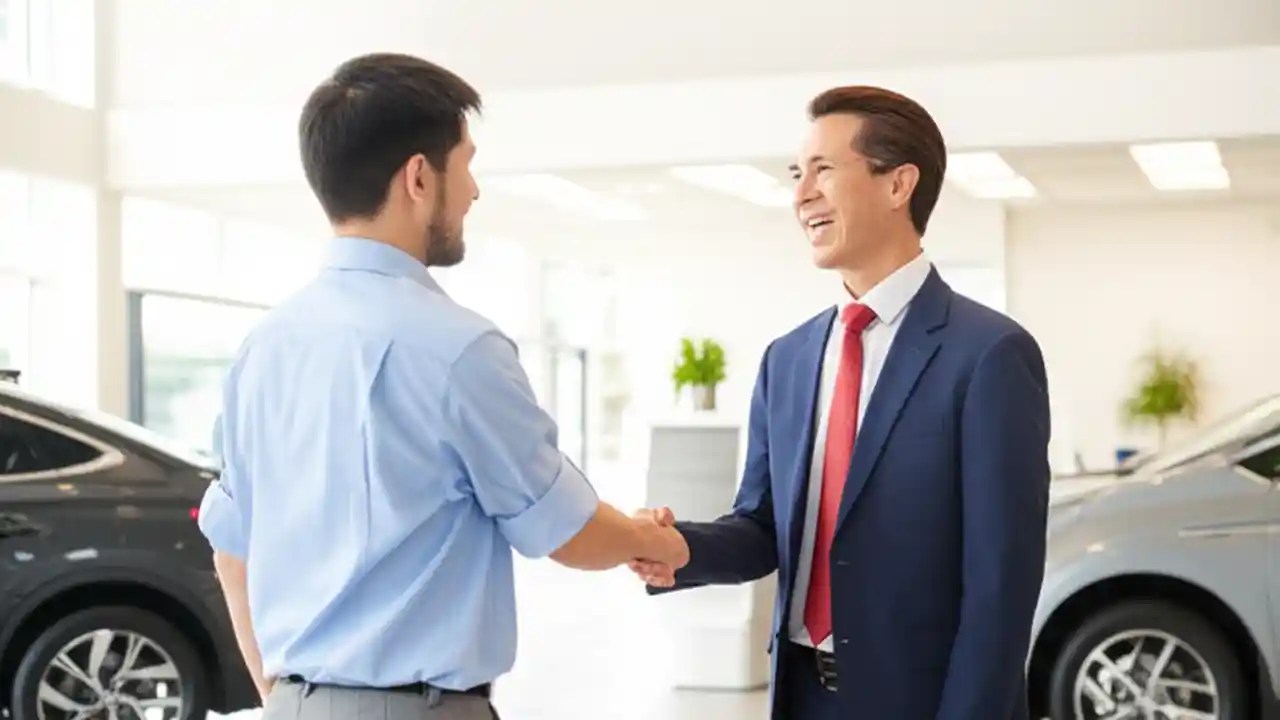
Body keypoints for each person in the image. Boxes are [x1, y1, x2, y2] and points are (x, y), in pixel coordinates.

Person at [197, 53, 689, 720]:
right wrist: (657, 542)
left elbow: (233, 553)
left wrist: (289, 701)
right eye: (467, 163)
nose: (475, 191)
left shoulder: (261, 350)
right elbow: (565, 531)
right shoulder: (459, 351)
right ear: (420, 178)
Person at [630, 86, 1051, 720]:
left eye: (823, 170)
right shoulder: (789, 360)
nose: (801, 195)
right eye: (797, 174)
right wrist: (676, 549)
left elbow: (1000, 591)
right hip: (800, 695)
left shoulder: (989, 356)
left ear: (897, 184)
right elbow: (762, 527)